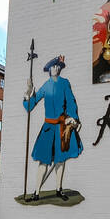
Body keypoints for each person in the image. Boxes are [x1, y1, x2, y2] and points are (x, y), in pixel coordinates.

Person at [23, 55, 82, 201]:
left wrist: (73, 117)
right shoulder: (45, 86)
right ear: (49, 70)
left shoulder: (65, 83)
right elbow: (30, 105)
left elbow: (71, 101)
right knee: (43, 160)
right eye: (53, 67)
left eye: (57, 67)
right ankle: (36, 192)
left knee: (60, 160)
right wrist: (27, 94)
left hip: (62, 127)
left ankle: (58, 189)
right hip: (48, 128)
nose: (55, 69)